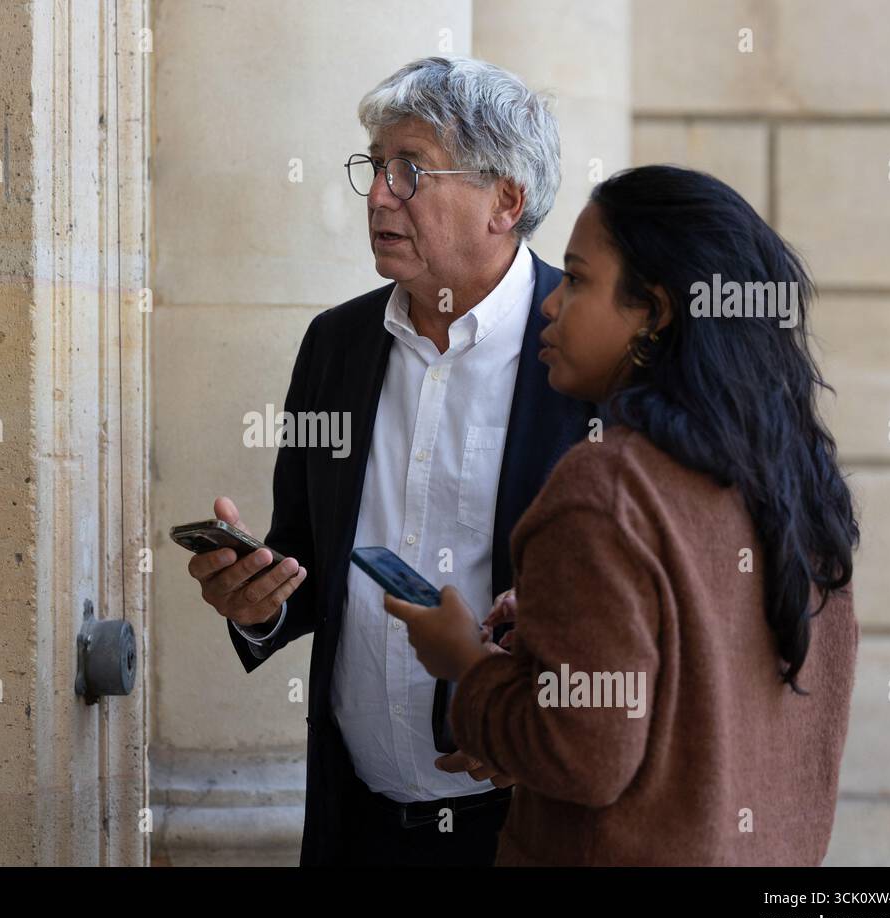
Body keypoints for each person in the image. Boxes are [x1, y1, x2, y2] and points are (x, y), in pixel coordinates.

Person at [386, 165, 861, 865]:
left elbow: (584, 754)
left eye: (577, 280)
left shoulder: (608, 490)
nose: (550, 305)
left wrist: (466, 663)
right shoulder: (798, 482)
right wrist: (553, 632)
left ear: (656, 311)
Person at [185, 56, 594, 865]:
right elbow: (304, 553)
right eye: (374, 168)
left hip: (526, 825)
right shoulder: (334, 346)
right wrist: (256, 599)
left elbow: (622, 613)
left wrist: (529, 717)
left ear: (506, 200)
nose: (378, 195)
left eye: (410, 170)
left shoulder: (583, 352)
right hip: (356, 821)